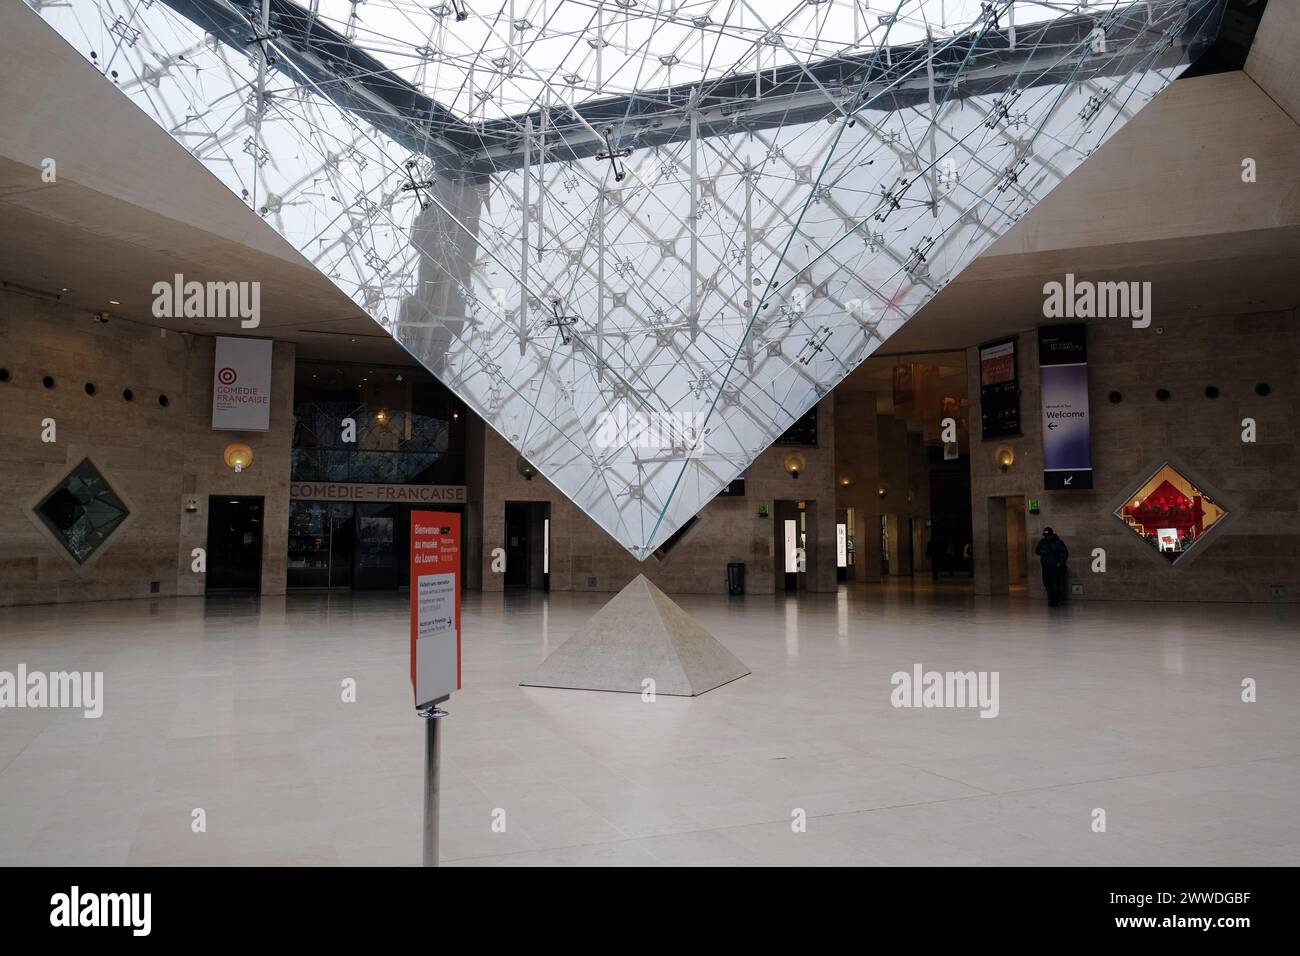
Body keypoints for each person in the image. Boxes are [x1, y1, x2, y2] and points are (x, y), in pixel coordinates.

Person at [1034, 527, 1069, 607]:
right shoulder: (1043, 542)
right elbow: (1037, 551)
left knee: (1055, 584)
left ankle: (1055, 601)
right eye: (1045, 535)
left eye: (1048, 535)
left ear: (1052, 534)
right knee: (1046, 583)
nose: (1047, 537)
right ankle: (1051, 599)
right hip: (1046, 567)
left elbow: (1065, 553)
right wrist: (1044, 552)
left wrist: (1060, 563)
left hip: (1055, 568)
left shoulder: (1058, 542)